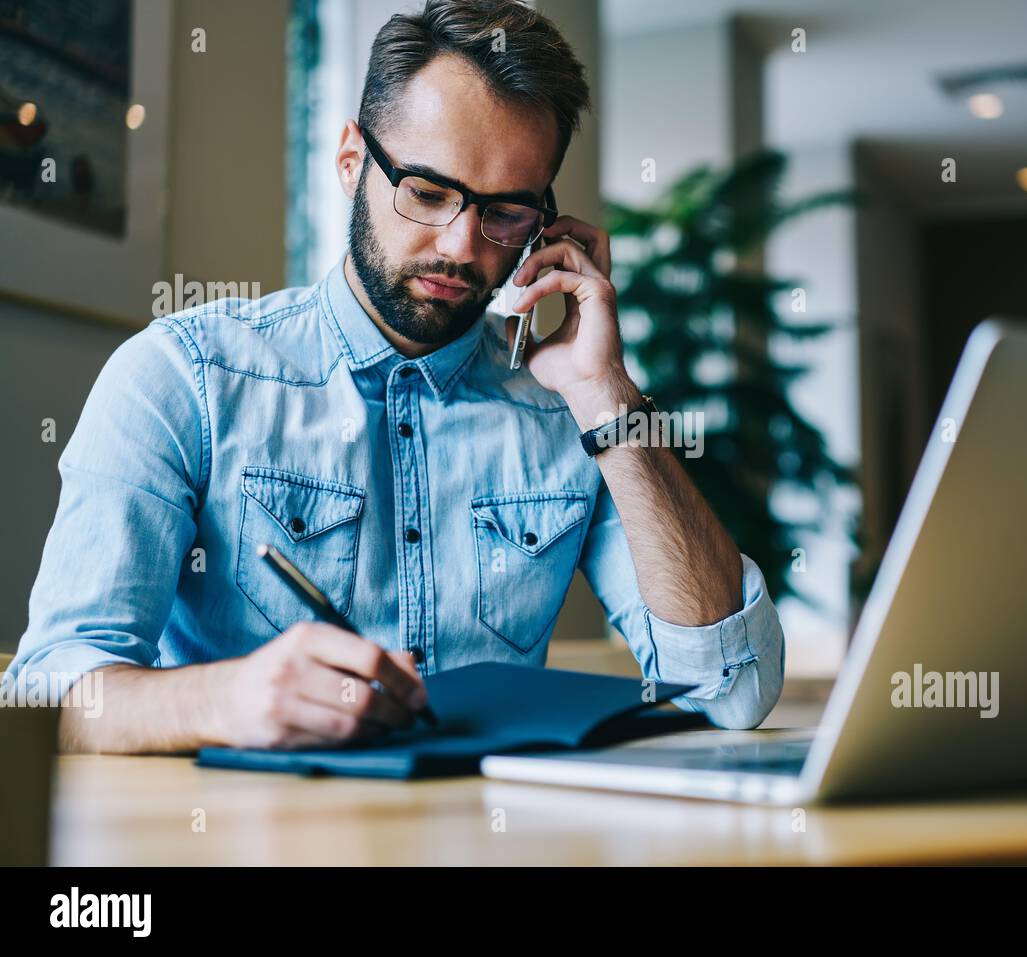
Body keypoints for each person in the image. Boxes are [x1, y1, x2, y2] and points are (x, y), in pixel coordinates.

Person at [8, 0, 784, 753]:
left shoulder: (569, 414)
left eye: (505, 211)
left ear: (545, 224)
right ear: (352, 162)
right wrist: (229, 696)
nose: (459, 243)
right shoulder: (181, 377)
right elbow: (47, 690)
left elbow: (729, 690)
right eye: (427, 190)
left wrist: (606, 394)